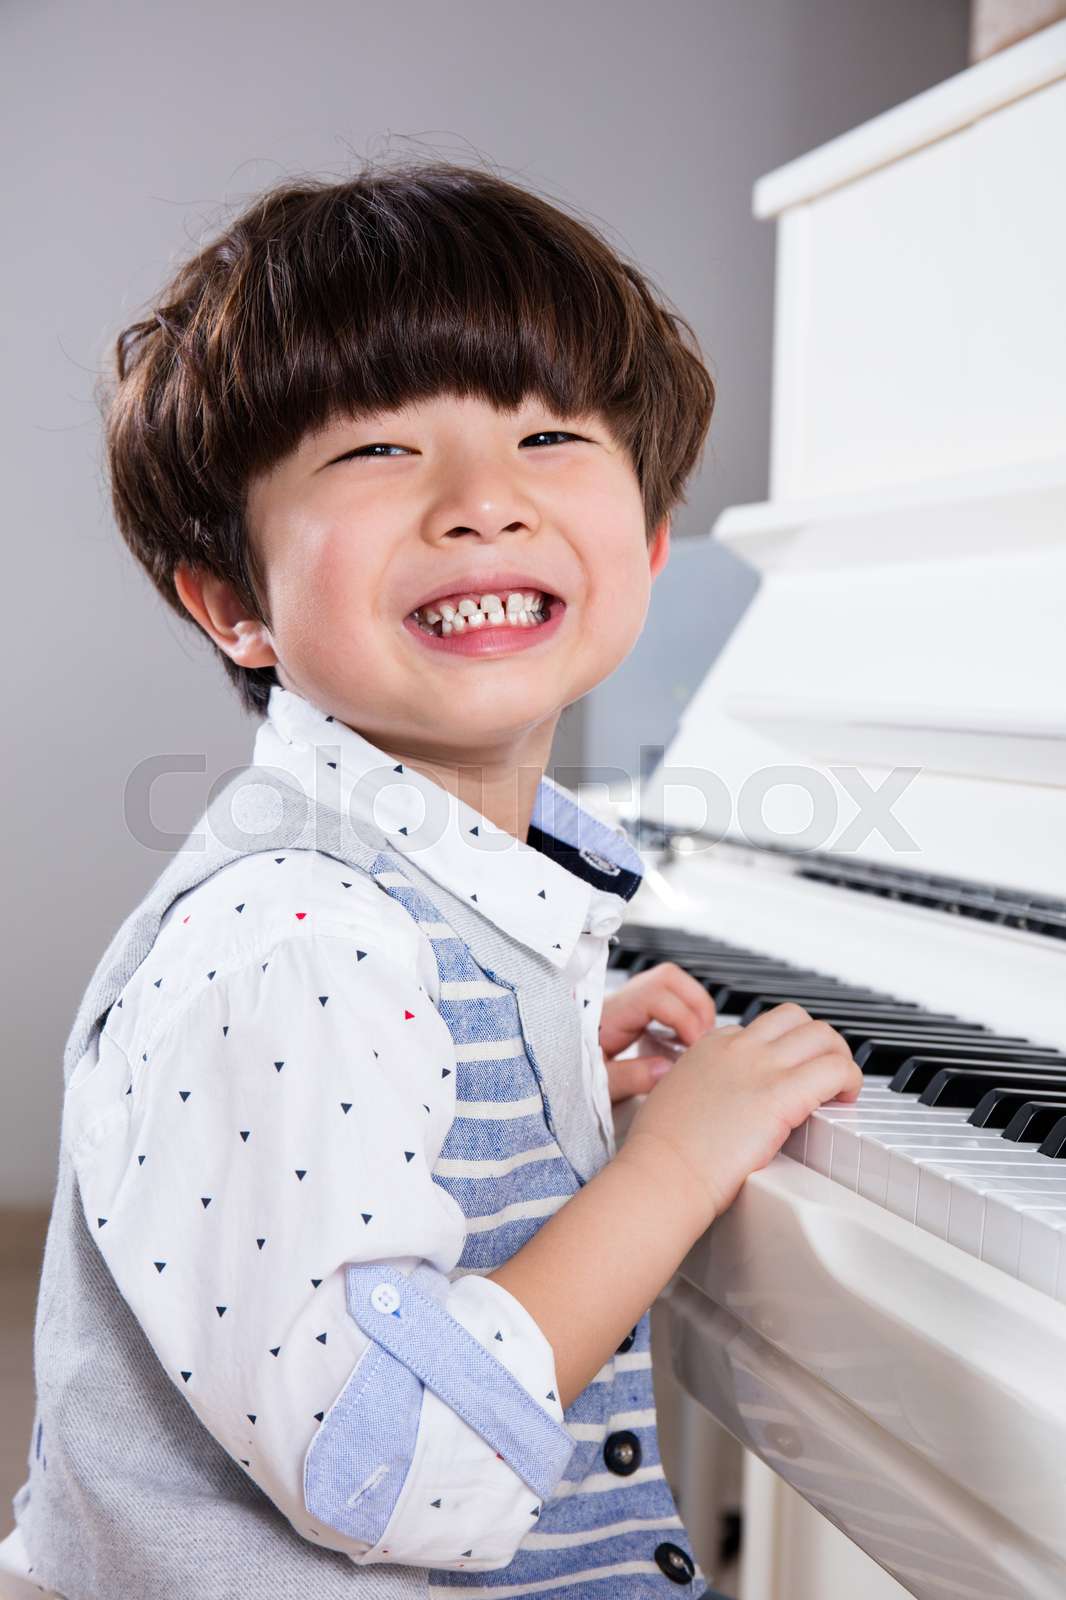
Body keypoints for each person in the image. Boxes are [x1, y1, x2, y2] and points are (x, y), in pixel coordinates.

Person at [5, 159, 862, 1600]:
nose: (482, 503)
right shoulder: (300, 942)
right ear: (232, 603)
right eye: (376, 452)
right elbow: (380, 1466)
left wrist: (535, 1100)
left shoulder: (388, 924)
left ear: (647, 542)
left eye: (549, 437)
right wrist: (668, 1166)